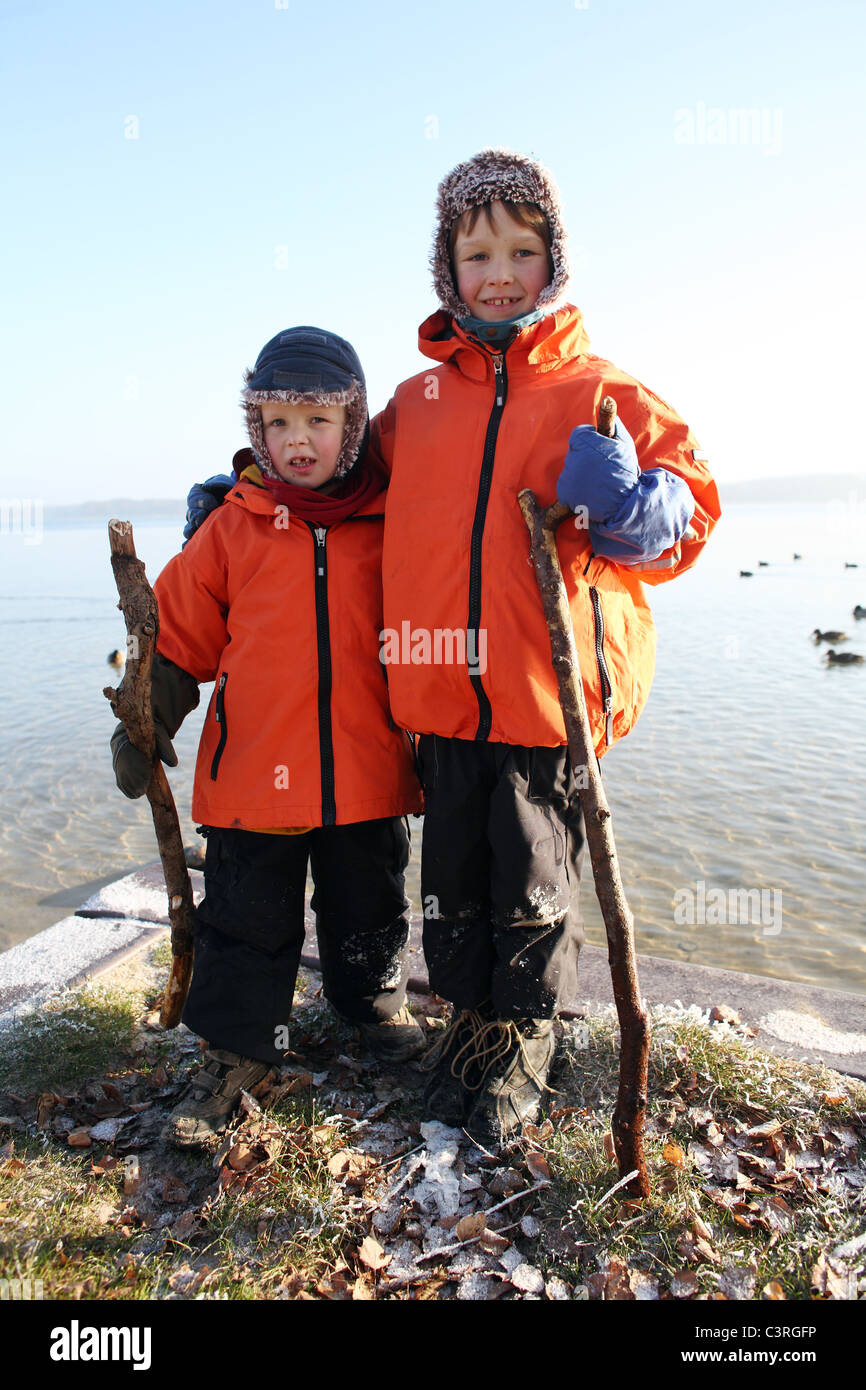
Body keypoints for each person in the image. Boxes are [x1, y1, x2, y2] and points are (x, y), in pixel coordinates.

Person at [371, 149, 721, 1145]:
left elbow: (690, 509)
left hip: (542, 699)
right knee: (449, 882)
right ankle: (468, 1024)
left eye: (520, 251)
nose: (497, 272)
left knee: (530, 881)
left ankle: (521, 1040)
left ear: (553, 261)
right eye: (475, 252)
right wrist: (255, 482)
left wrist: (630, 507)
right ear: (446, 266)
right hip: (439, 695)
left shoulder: (597, 387)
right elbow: (352, 485)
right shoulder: (416, 403)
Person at [111, 327, 424, 1147]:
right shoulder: (233, 528)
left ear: (353, 425)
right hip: (254, 783)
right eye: (278, 421)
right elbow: (176, 641)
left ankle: (373, 1009)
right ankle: (235, 1050)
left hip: (369, 776)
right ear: (256, 429)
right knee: (247, 921)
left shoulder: (391, 525)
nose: (298, 440)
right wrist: (142, 723)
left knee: (370, 908)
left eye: (319, 421)